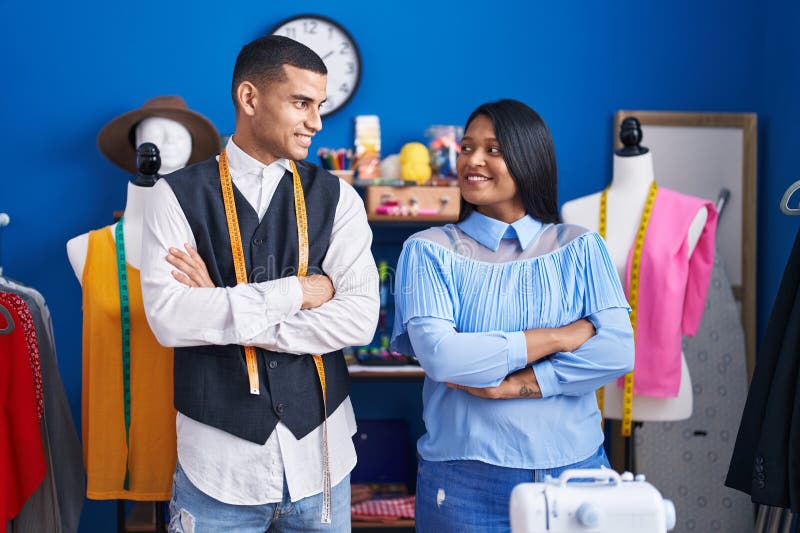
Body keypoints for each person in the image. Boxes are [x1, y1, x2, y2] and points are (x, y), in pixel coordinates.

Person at [139, 35, 379, 532]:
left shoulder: (341, 199)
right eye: (301, 103)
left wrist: (223, 311)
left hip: (322, 464)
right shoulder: (173, 197)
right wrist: (300, 292)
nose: (316, 121)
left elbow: (359, 319)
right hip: (218, 471)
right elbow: (169, 321)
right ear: (250, 99)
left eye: (320, 106)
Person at [391, 99, 635, 532]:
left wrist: (521, 385)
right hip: (464, 481)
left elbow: (616, 352)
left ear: (529, 158)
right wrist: (559, 338)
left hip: (576, 473)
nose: (472, 160)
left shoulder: (579, 246)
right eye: (466, 148)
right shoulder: (428, 250)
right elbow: (444, 358)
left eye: (493, 149)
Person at [66, 95, 219, 502]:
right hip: (120, 452)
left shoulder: (213, 254)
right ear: (135, 150)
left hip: (201, 450)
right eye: (151, 137)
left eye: (174, 136)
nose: (160, 147)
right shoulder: (85, 249)